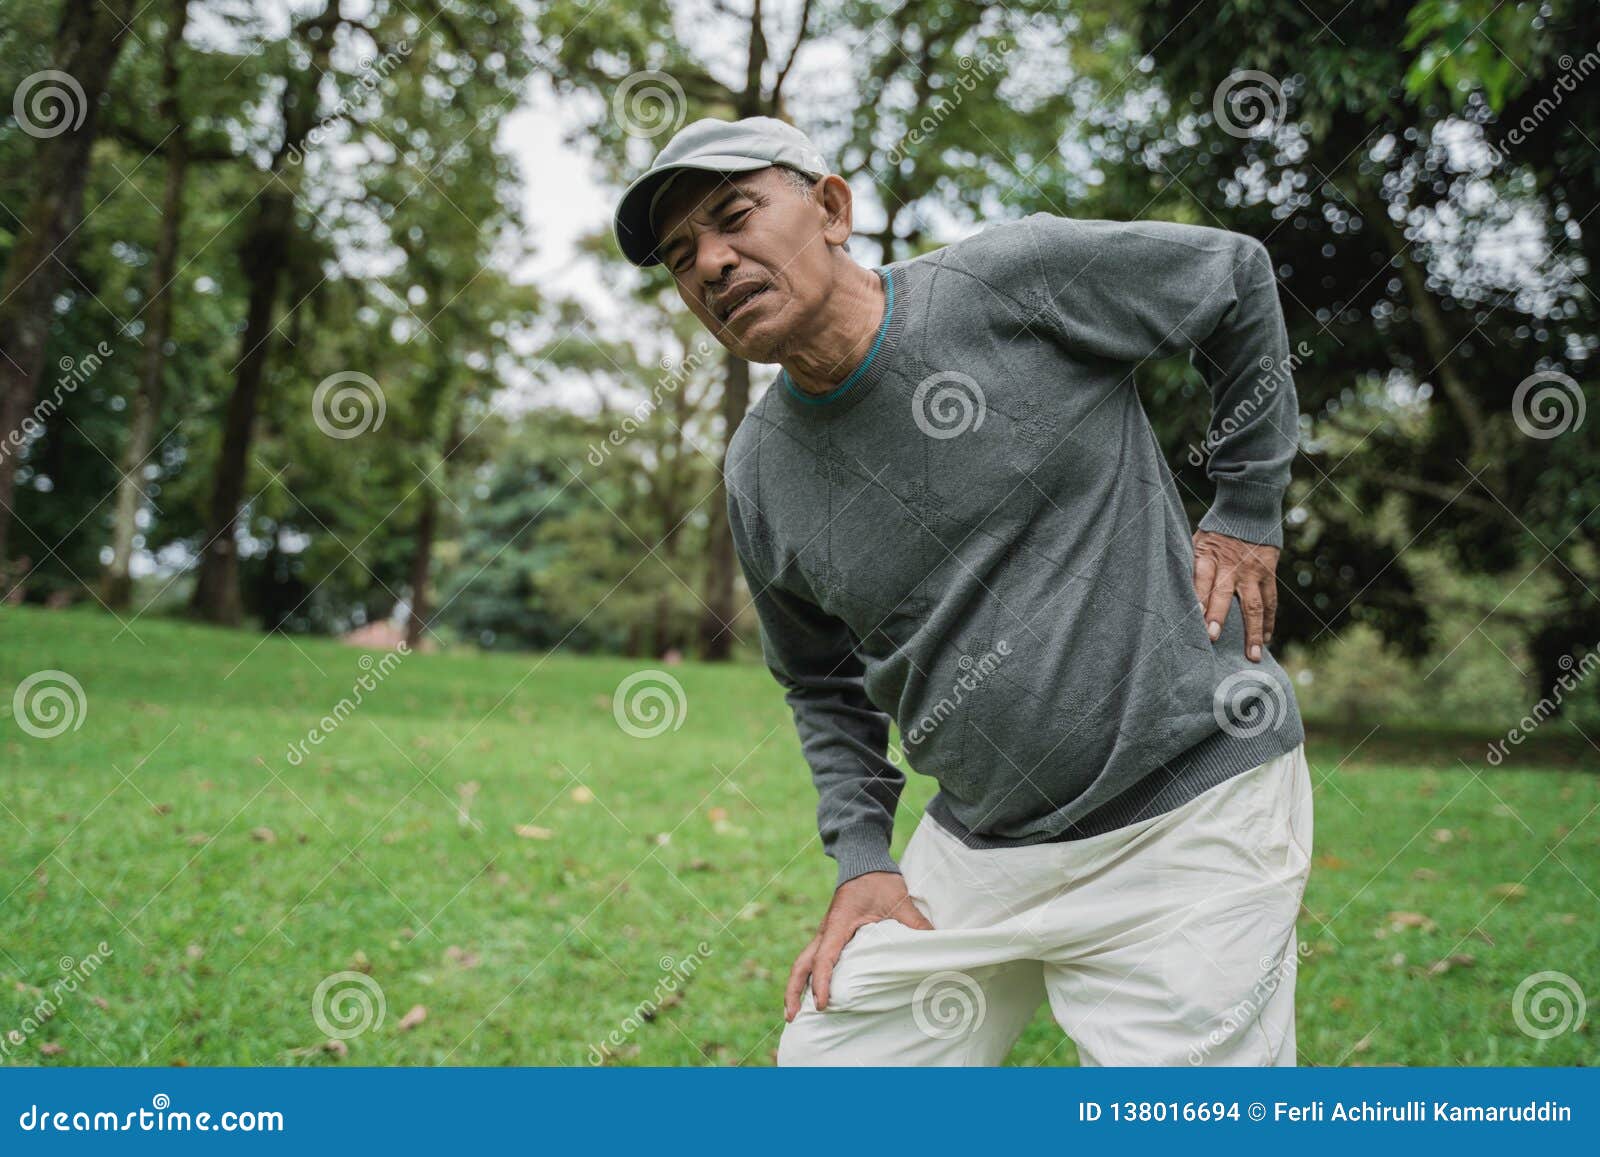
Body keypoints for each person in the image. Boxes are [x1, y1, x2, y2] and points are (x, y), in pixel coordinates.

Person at [612, 115, 1313, 1066]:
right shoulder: (757, 471)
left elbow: (1233, 277)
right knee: (833, 1073)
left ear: (832, 208)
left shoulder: (1011, 278)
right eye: (679, 255)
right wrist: (863, 857)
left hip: (1193, 814)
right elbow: (819, 682)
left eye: (735, 217)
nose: (711, 264)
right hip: (983, 847)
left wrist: (1248, 508)